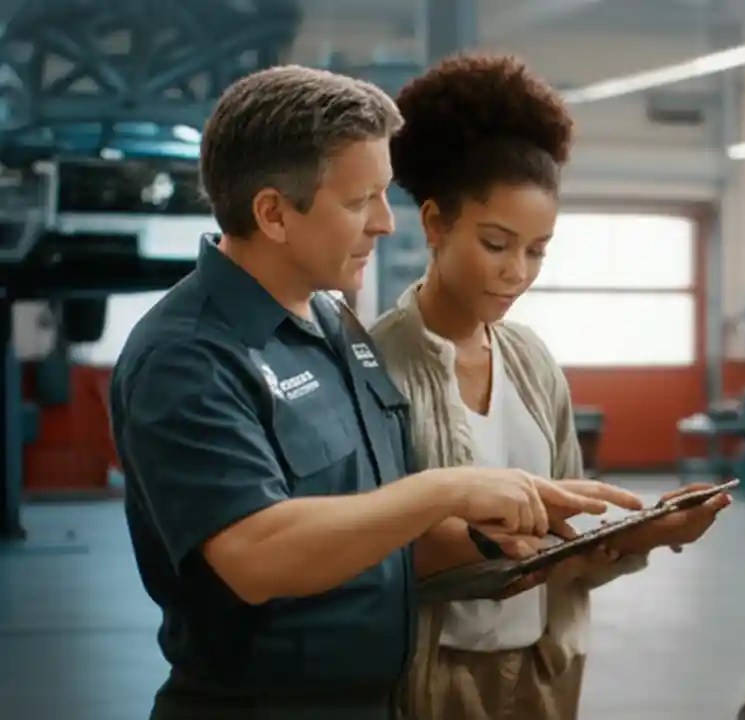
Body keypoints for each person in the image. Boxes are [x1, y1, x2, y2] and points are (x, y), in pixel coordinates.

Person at [110, 65, 634, 720]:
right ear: (273, 213)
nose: (385, 223)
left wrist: (512, 529)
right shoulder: (189, 357)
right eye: (361, 201)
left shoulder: (335, 326)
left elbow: (377, 535)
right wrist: (445, 488)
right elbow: (256, 555)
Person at [369, 53, 732, 720]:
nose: (517, 272)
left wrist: (651, 530)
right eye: (496, 243)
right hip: (425, 681)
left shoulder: (533, 364)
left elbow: (566, 551)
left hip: (540, 674)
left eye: (537, 250)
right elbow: (361, 553)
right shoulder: (375, 364)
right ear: (435, 223)